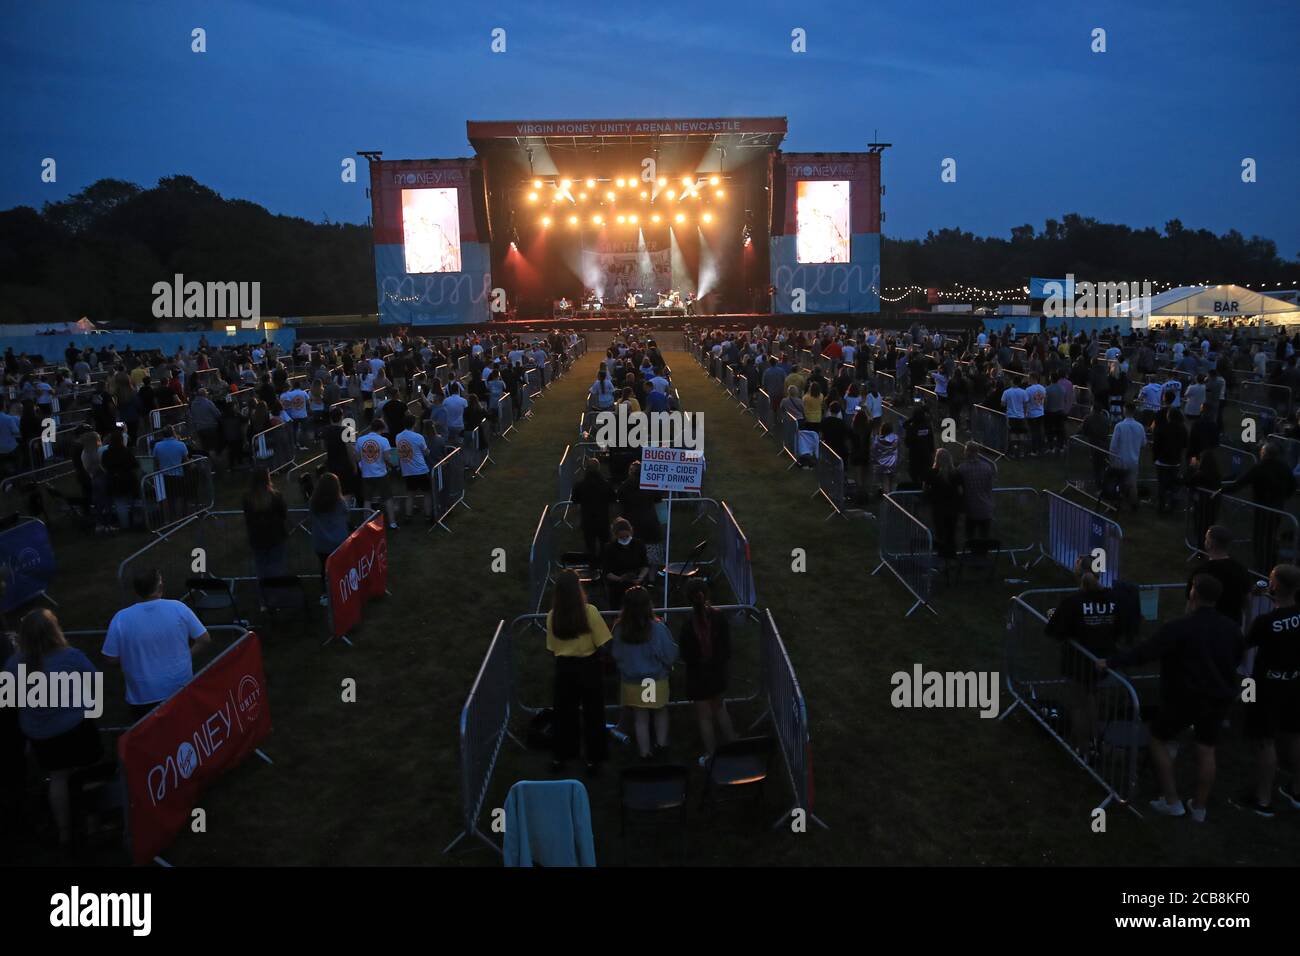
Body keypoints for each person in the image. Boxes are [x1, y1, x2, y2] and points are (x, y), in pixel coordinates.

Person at [1099, 574, 1243, 822]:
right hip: (1218, 697)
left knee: (1158, 739)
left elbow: (1144, 653)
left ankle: (1171, 800)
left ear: (1193, 594)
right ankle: (1199, 808)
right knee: (1206, 748)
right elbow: (1237, 658)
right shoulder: (1232, 628)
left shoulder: (1178, 627)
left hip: (1183, 698)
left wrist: (1110, 661)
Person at [2, 609, 101, 849]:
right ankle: (92, 824)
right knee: (88, 773)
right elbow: (95, 685)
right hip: (76, 729)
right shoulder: (71, 657)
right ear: (54, 630)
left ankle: (64, 833)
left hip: (42, 737)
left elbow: (8, 700)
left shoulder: (13, 664)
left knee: (58, 778)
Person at [1044, 557, 1140, 755]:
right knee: (1091, 698)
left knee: (1078, 705)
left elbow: (1055, 632)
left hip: (1078, 661)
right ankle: (1092, 741)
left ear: (1078, 574)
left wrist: (1054, 617)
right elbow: (1122, 628)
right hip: (1102, 660)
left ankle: (1082, 749)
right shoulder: (1114, 599)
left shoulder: (1073, 602)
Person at [1230, 563, 1300, 816]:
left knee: (1264, 740)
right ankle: (1296, 790)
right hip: (1295, 682)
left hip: (1268, 686)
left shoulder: (1266, 621)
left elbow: (1243, 645)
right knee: (1294, 733)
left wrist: (1249, 605)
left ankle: (1263, 800)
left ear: (1275, 585)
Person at [102, 568, 211, 721]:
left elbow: (110, 658)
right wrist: (186, 656)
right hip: (180, 687)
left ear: (136, 591)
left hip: (142, 695)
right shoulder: (178, 608)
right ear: (160, 587)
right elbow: (204, 639)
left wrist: (132, 659)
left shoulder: (121, 618)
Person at [546, 570, 612, 775]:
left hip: (564, 667)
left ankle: (562, 756)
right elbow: (604, 643)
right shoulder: (590, 612)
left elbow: (552, 648)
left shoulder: (552, 616)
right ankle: (594, 759)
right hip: (588, 666)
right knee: (594, 714)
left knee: (564, 714)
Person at [611, 586, 679, 760]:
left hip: (632, 681)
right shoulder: (657, 628)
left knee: (640, 718)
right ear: (648, 605)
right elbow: (669, 654)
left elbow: (616, 654)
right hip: (654, 679)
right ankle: (662, 746)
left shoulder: (619, 629)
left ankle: (644, 753)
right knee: (659, 711)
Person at [678, 580, 735, 766]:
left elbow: (685, 654)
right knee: (720, 709)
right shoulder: (720, 617)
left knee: (704, 717)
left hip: (698, 675)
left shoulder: (687, 625)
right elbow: (727, 648)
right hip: (717, 672)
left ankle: (711, 755)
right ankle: (733, 747)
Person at [1190, 524, 1257, 626]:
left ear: (1210, 543)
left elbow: (1191, 603)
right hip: (1232, 626)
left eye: (1206, 539)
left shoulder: (1201, 571)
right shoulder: (1241, 570)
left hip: (1206, 628)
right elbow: (1247, 603)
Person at [309, 471, 351, 606]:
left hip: (321, 543)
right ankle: (342, 589)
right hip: (338, 542)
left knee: (324, 568)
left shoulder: (313, 502)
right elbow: (346, 514)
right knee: (340, 568)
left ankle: (326, 593)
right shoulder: (340, 502)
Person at [243, 467, 289, 582]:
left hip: (258, 539)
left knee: (261, 570)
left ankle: (264, 596)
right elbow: (283, 514)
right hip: (275, 538)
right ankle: (275, 594)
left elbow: (248, 519)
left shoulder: (247, 498)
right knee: (276, 568)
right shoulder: (276, 496)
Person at [600, 517, 650, 610]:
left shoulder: (639, 544)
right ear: (616, 535)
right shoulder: (609, 548)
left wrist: (640, 577)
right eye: (621, 537)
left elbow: (645, 565)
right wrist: (620, 579)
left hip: (636, 583)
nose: (624, 539)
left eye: (626, 536)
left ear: (630, 532)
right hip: (617, 585)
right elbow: (607, 572)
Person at [356, 421, 398, 528]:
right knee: (388, 498)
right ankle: (392, 522)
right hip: (381, 474)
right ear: (382, 429)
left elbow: (357, 457)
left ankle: (366, 524)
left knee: (367, 499)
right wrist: (392, 465)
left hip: (366, 474)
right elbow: (387, 457)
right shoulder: (384, 440)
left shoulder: (360, 440)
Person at [571, 458, 615, 557]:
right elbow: (612, 498)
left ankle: (592, 566)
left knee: (590, 546)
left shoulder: (580, 485)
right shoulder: (605, 484)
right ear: (598, 468)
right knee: (605, 543)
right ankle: (604, 566)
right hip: (603, 519)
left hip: (587, 519)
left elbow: (575, 499)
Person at [394, 415, 433, 522]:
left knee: (410, 494)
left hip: (407, 470)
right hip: (420, 470)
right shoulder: (418, 437)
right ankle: (428, 515)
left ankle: (408, 515)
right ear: (414, 424)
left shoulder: (398, 436)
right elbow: (426, 452)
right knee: (427, 493)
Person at [925, 448, 963, 559]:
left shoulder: (932, 473)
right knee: (951, 533)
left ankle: (941, 556)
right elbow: (960, 491)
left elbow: (925, 489)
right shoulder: (956, 474)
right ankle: (951, 555)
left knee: (940, 534)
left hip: (938, 509)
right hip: (952, 509)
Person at [1108, 403, 1146, 512]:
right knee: (1133, 483)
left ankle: (1116, 504)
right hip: (1134, 460)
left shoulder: (1120, 426)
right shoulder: (1139, 426)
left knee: (1117, 482)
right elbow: (1143, 443)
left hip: (1120, 459)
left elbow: (1113, 445)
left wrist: (1111, 458)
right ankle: (1134, 504)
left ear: (1125, 411)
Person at [956, 441, 996, 542]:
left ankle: (972, 555)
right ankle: (982, 555)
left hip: (971, 509)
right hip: (986, 508)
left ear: (966, 452)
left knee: (970, 539)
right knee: (984, 538)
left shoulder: (961, 469)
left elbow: (958, 489)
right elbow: (989, 487)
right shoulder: (987, 467)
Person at [871, 419, 899, 497]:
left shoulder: (877, 439)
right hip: (893, 464)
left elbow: (873, 451)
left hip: (881, 465)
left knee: (885, 482)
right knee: (893, 481)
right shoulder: (895, 438)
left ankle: (886, 499)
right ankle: (894, 498)